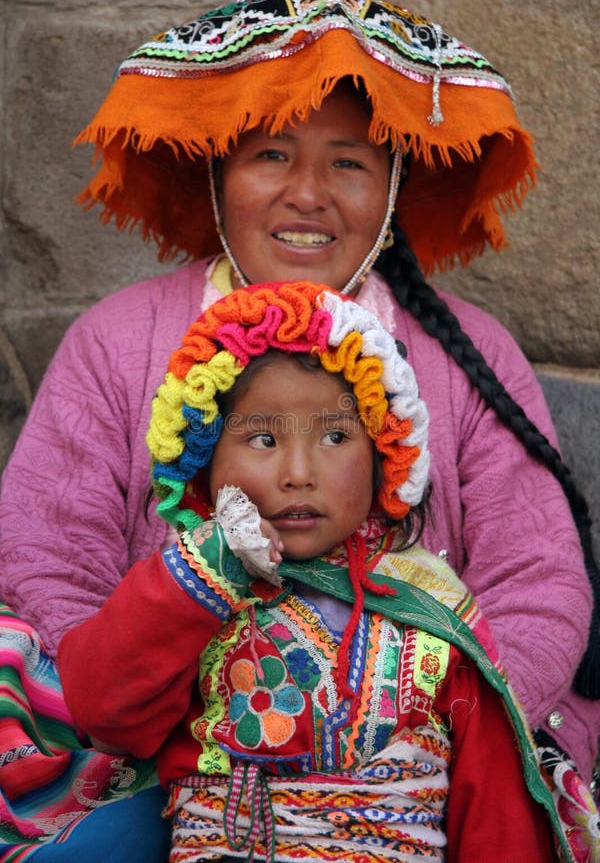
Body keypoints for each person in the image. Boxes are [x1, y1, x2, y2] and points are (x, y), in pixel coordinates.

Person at [0, 0, 598, 859]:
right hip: (166, 750)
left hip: (422, 763)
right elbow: (47, 559)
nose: (308, 194)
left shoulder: (475, 355)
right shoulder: (117, 342)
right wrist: (192, 699)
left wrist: (410, 715)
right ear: (217, 173)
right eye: (271, 154)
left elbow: (540, 580)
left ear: (393, 187)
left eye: (349, 162)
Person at [58, 280, 567, 860]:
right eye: (263, 437)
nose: (298, 472)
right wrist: (200, 575)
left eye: (334, 435)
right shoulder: (185, 591)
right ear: (203, 463)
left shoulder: (435, 612)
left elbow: (495, 814)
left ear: (384, 455)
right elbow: (103, 713)